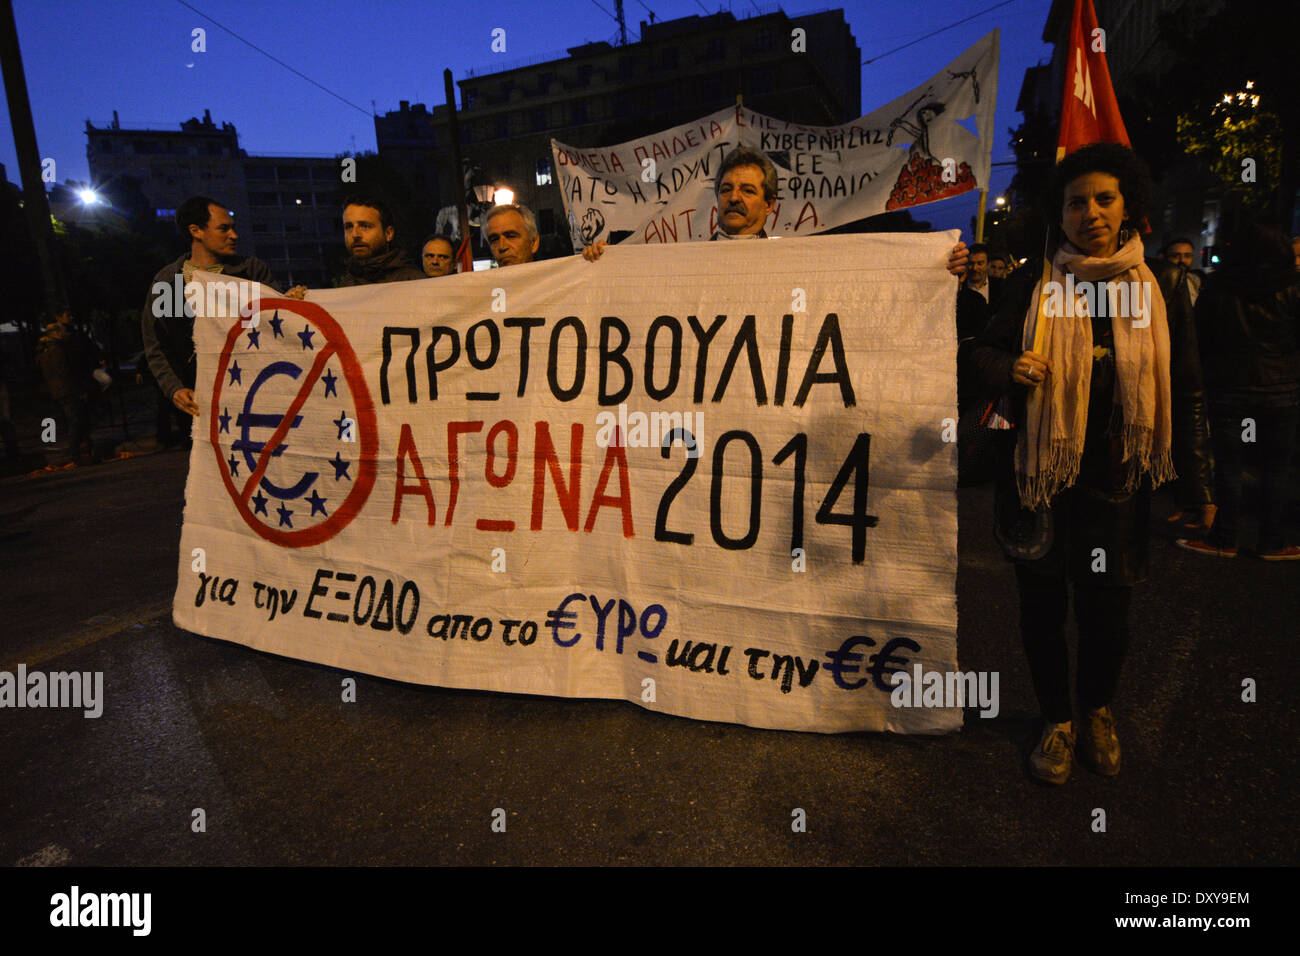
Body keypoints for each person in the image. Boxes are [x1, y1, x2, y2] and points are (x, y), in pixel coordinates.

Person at [969, 143, 1212, 786]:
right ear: (1062, 212)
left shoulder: (1158, 287)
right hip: (1038, 485)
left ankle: (1097, 708)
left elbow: (1185, 388)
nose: (1091, 212)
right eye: (1076, 202)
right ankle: (1057, 719)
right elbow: (975, 353)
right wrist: (1009, 366)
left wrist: (1199, 482)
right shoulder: (1032, 283)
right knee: (1041, 612)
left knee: (1108, 617)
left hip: (1116, 485)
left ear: (1128, 204)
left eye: (1104, 198)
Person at [583, 147, 970, 275]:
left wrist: (931, 269)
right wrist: (600, 263)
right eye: (726, 189)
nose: (734, 197)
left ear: (769, 205)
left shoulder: (793, 261)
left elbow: (863, 282)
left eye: (747, 190)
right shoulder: (684, 260)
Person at [1177, 217, 1300, 560]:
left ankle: (1225, 537)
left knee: (1229, 465)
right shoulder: (1293, 286)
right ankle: (1272, 542)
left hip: (1229, 390)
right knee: (1276, 467)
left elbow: (1198, 338)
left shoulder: (1218, 287)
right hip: (1282, 391)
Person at [142, 196, 302, 423]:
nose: (234, 236)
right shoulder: (168, 282)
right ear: (196, 231)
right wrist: (174, 388)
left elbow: (277, 321)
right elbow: (155, 343)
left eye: (233, 228)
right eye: (224, 229)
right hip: (201, 400)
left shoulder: (251, 271)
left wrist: (291, 304)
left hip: (256, 392)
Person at [339, 194, 425, 285]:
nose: (355, 234)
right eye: (349, 227)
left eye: (365, 226)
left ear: (388, 233)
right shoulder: (346, 285)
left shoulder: (414, 282)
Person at [1162, 237, 1202, 306]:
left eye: (1187, 256)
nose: (1182, 260)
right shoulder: (1158, 283)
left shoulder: (1195, 280)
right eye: (1175, 256)